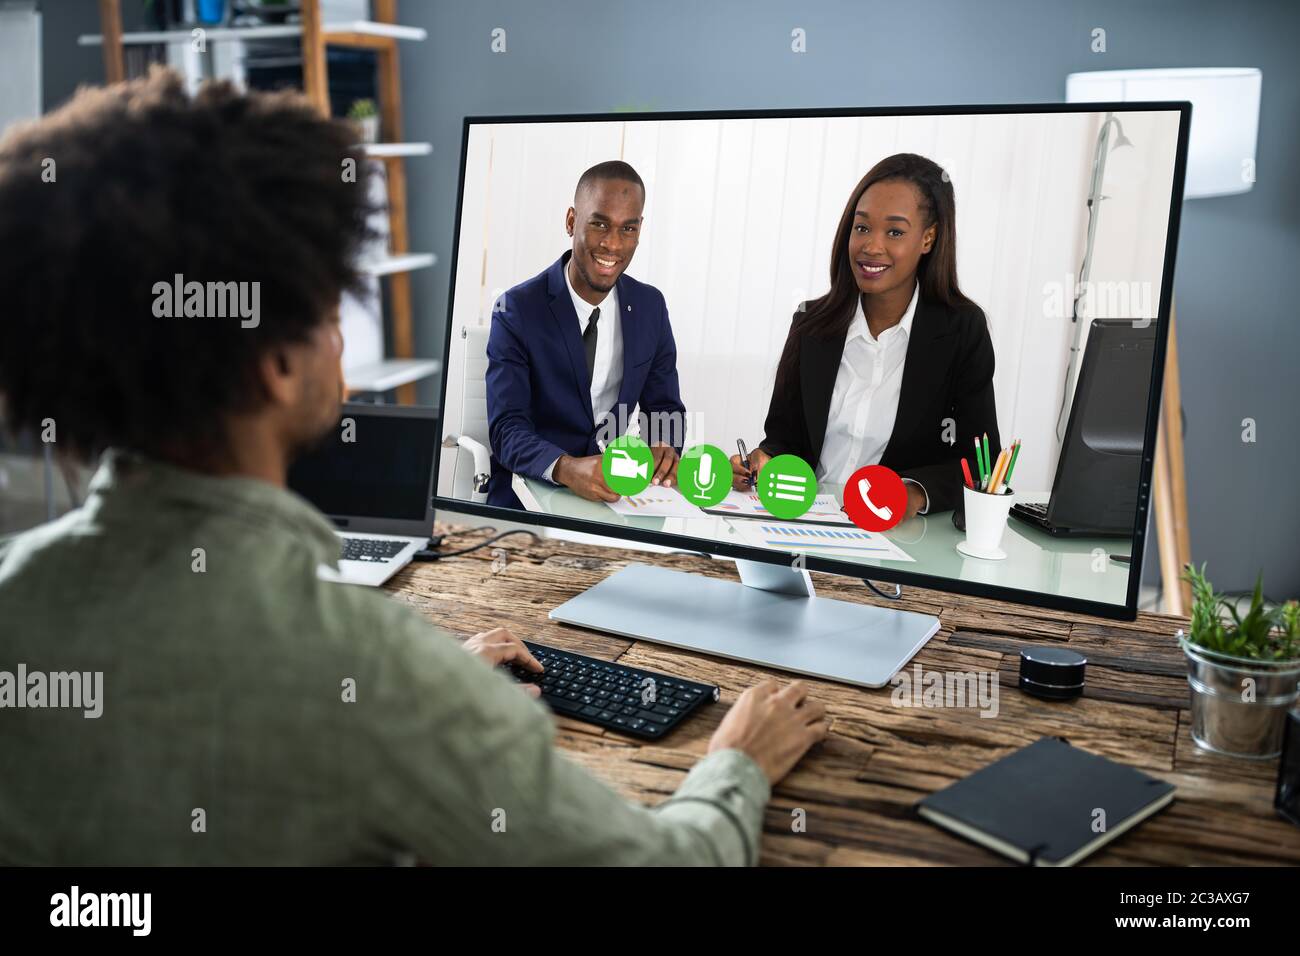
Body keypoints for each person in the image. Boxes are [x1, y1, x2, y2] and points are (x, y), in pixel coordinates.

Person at [0, 69, 827, 865]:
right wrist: (738, 763)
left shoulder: (16, 596)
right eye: (332, 312)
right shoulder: (376, 671)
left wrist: (433, 689)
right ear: (279, 367)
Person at [731, 153, 1000, 517]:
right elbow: (785, 440)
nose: (871, 246)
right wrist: (764, 460)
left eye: (894, 232)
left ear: (928, 238)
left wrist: (910, 494)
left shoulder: (961, 330)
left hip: (895, 540)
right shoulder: (811, 323)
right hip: (802, 522)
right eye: (862, 228)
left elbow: (977, 461)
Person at [485, 161, 685, 509]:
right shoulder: (516, 309)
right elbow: (506, 429)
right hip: (528, 494)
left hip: (613, 497)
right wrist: (565, 468)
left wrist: (663, 447)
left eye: (628, 228)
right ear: (571, 221)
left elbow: (663, 408)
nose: (612, 244)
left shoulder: (650, 307)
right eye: (599, 224)